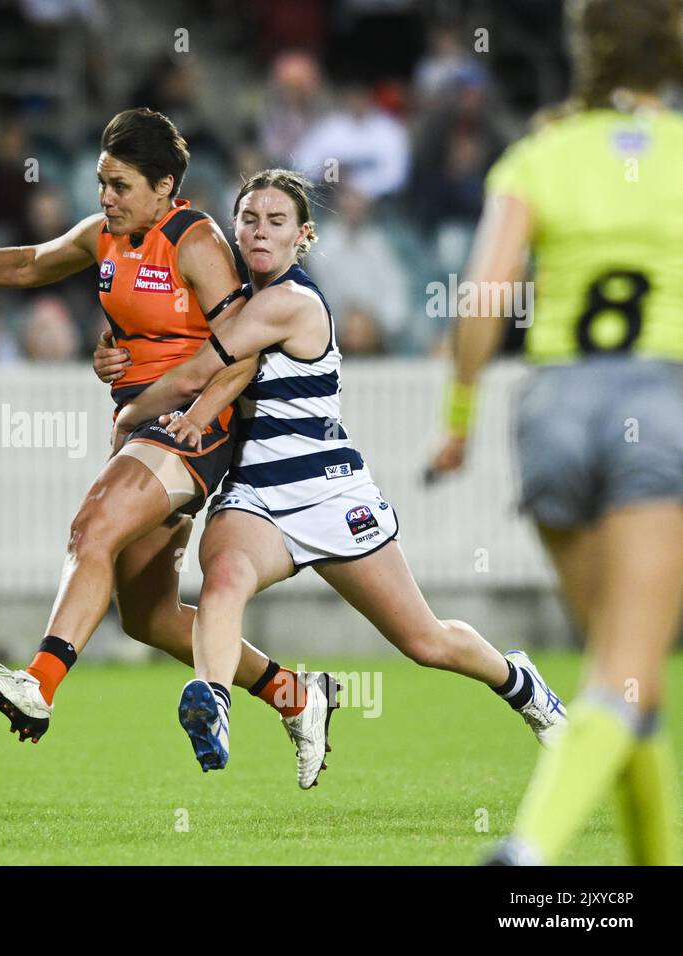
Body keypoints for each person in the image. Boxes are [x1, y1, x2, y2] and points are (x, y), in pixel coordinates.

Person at [104, 169, 565, 786]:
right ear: (233, 227)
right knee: (224, 578)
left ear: (304, 235)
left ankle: (520, 683)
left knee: (425, 641)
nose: (259, 231)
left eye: (275, 222)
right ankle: (213, 700)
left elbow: (194, 371)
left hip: (328, 490)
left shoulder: (288, 302)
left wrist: (129, 413)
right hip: (254, 494)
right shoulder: (226, 295)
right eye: (248, 219)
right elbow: (152, 329)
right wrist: (113, 348)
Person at [0, 108, 304, 745]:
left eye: (121, 185)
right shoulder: (104, 235)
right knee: (148, 618)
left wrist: (196, 419)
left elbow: (244, 350)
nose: (105, 197)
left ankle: (38, 684)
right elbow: (28, 264)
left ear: (164, 188)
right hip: (140, 430)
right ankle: (297, 693)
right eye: (102, 181)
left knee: (90, 527)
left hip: (189, 431)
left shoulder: (197, 242)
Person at [428, 0, 683, 865]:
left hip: (553, 410)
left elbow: (484, 298)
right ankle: (529, 852)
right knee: (630, 671)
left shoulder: (538, 154)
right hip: (658, 407)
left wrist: (458, 420)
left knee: (624, 674)